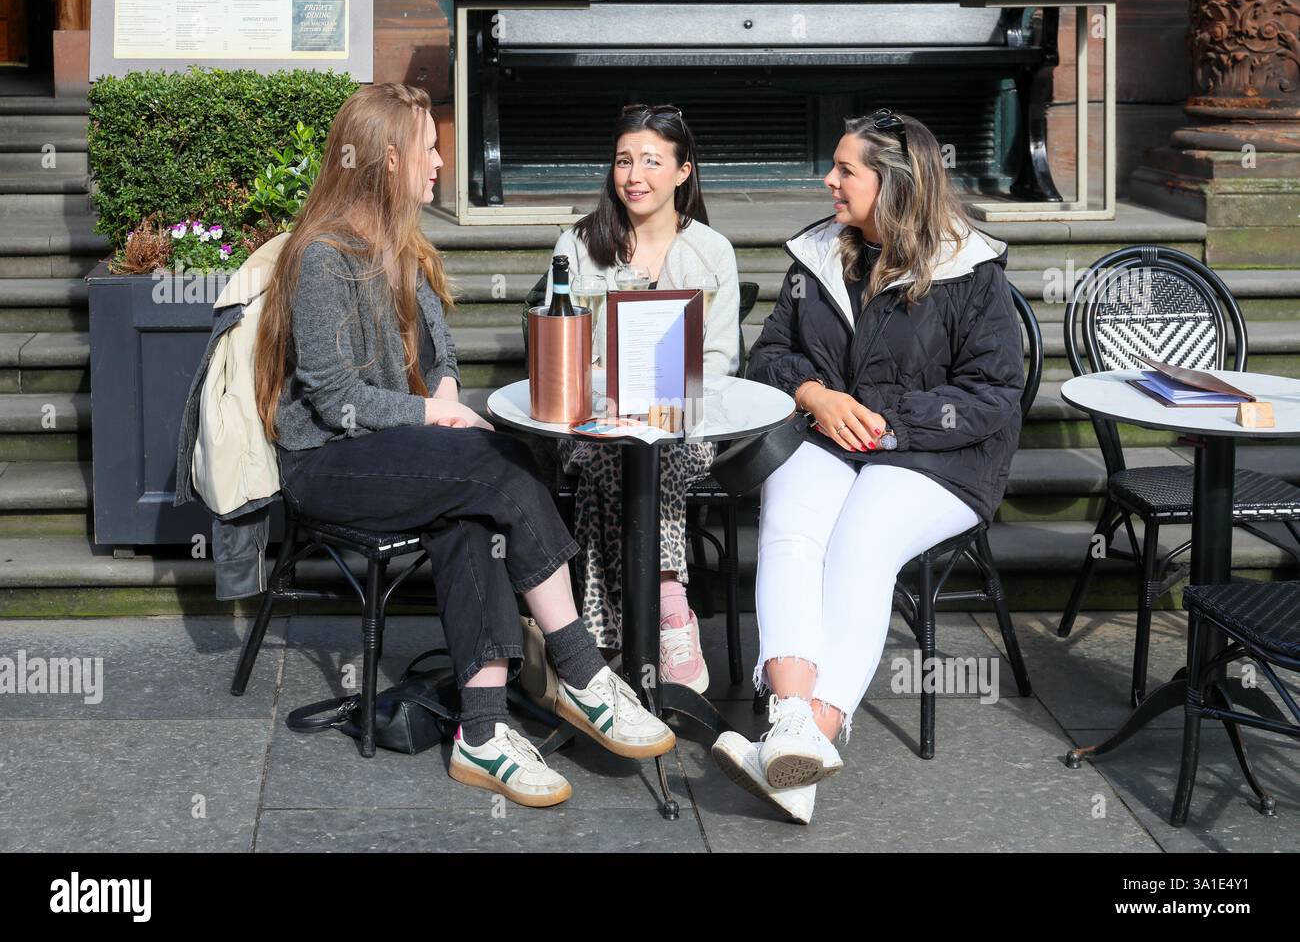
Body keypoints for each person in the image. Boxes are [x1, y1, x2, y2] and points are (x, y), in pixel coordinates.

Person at [253, 82, 675, 809]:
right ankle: (580, 670)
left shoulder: (403, 245)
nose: (442, 161)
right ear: (389, 158)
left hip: (393, 449)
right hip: (328, 463)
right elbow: (334, 398)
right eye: (430, 146)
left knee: (475, 512)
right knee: (498, 468)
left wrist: (443, 394)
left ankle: (481, 733)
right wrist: (433, 416)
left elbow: (441, 353)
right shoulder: (323, 257)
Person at [713, 110, 1025, 824]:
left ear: (895, 182)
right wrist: (818, 396)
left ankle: (809, 738)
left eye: (846, 169)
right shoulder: (819, 256)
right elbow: (769, 354)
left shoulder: (968, 269)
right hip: (829, 435)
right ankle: (791, 725)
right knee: (790, 522)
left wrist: (884, 423)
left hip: (941, 457)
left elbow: (993, 395)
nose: (829, 180)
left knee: (859, 541)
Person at [542, 104, 741, 693]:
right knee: (615, 447)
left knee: (653, 448)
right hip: (595, 423)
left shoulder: (712, 251)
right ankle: (669, 607)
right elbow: (566, 352)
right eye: (625, 160)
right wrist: (611, 391)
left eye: (653, 161)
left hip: (686, 425)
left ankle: (604, 642)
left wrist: (663, 397)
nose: (635, 175)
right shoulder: (579, 245)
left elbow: (720, 361)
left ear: (683, 171)